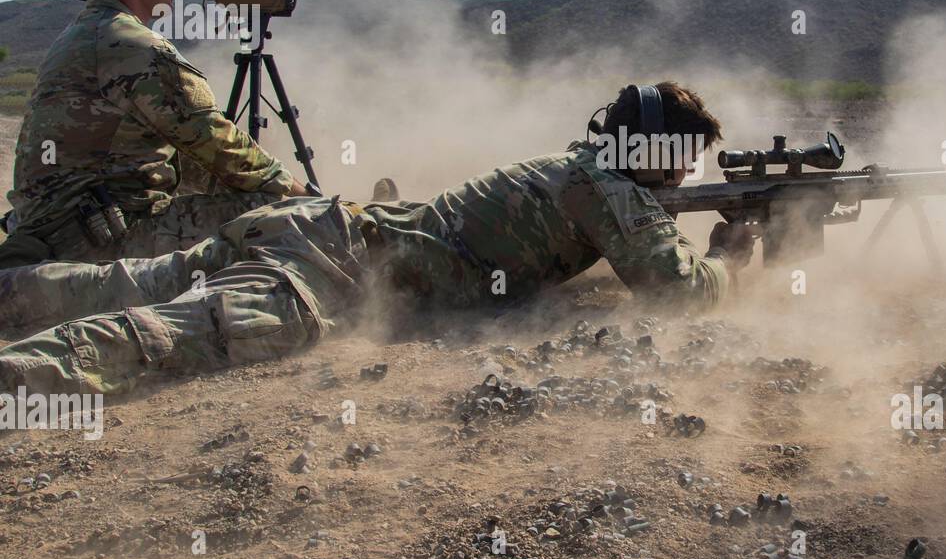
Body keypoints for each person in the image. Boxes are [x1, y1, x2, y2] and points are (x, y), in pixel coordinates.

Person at [0, 82, 755, 396]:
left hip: (317, 229)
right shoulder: (612, 191)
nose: (688, 172)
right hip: (331, 270)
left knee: (116, 284)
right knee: (153, 336)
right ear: (653, 152)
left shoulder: (584, 167)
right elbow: (676, 292)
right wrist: (728, 261)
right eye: (683, 157)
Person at [0, 0, 308, 270]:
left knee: (210, 177)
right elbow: (220, 144)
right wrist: (305, 198)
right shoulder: (133, 45)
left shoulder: (79, 34)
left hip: (62, 227)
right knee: (278, 216)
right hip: (100, 240)